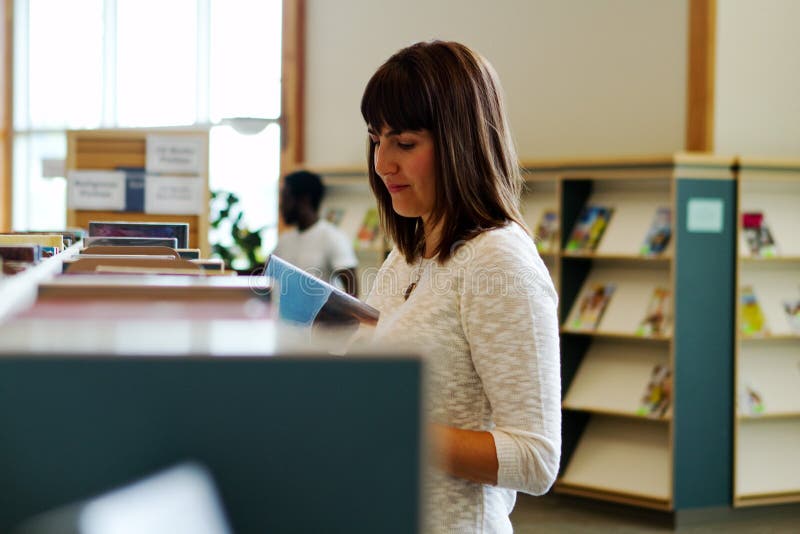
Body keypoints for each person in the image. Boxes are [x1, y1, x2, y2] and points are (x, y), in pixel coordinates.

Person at [360, 41, 561, 533]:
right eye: (375, 139)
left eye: (404, 143)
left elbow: (536, 458)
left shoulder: (499, 260)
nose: (382, 162)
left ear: (459, 143)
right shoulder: (406, 257)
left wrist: (389, 429)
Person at [273, 170, 359, 296]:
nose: (281, 206)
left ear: (304, 199)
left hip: (321, 316)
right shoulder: (284, 240)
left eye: (286, 198)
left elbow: (352, 291)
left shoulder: (333, 237)